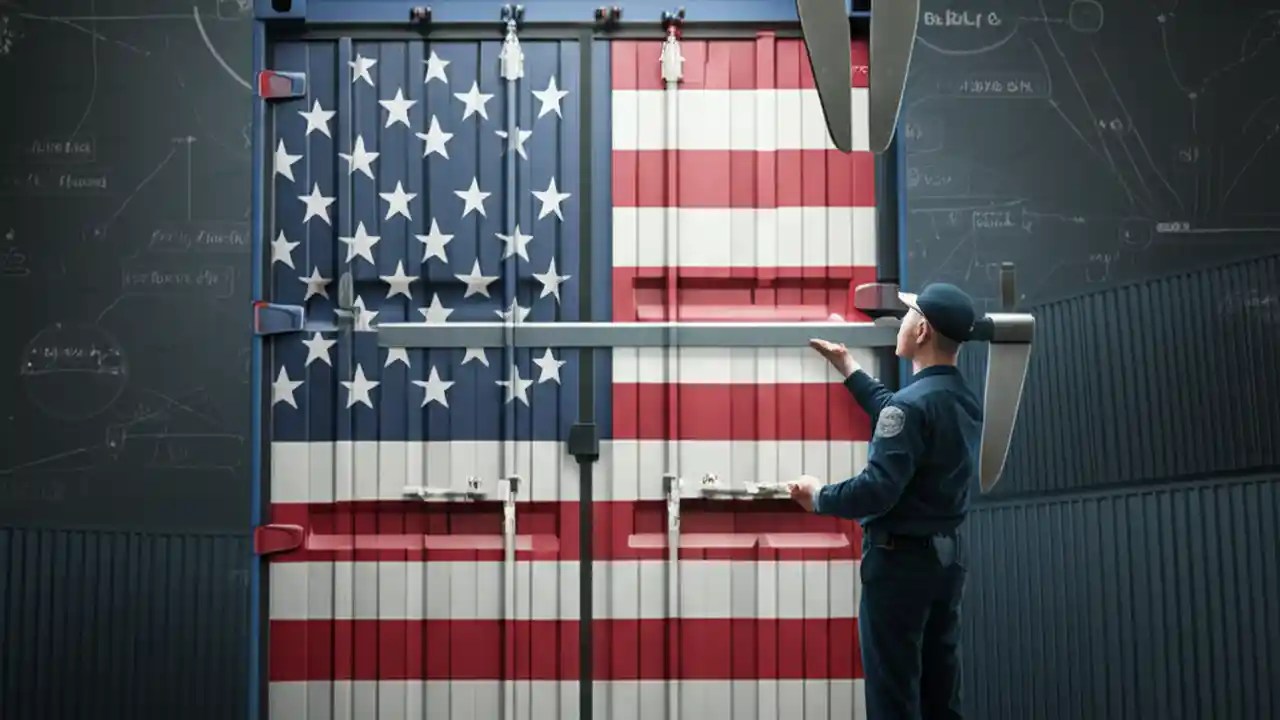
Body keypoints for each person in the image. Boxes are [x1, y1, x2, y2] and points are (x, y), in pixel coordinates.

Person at [788, 283, 984, 720]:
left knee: (892, 694)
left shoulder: (912, 407)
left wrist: (818, 495)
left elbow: (876, 489)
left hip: (899, 569)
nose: (901, 323)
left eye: (908, 316)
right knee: (940, 691)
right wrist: (849, 368)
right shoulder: (961, 399)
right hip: (945, 562)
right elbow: (899, 410)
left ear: (921, 332)